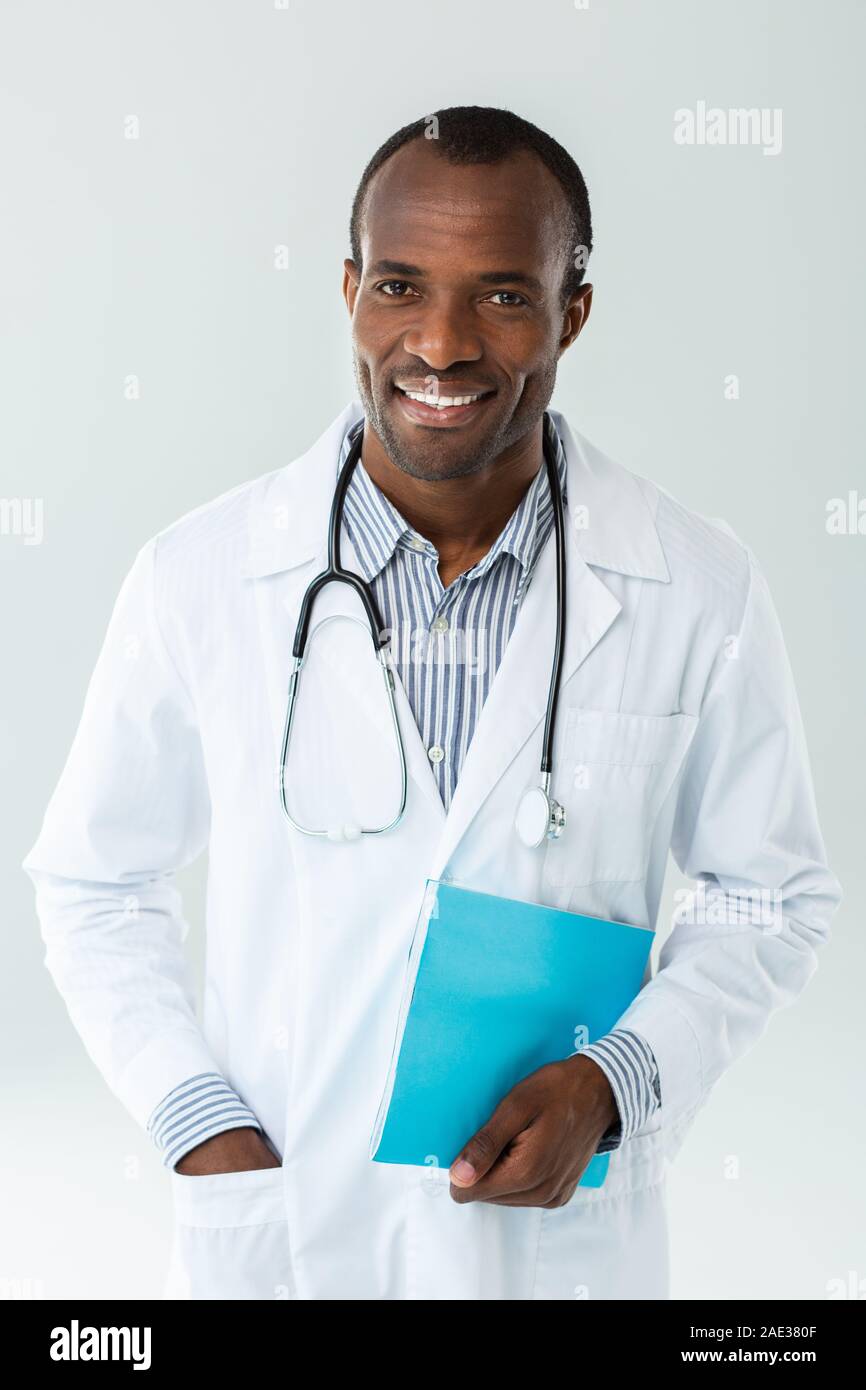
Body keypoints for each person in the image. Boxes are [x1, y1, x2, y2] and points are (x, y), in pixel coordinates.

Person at [23, 105, 841, 1300]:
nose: (441, 344)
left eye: (503, 296)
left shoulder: (691, 584)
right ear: (350, 291)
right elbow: (93, 882)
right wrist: (200, 1122)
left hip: (554, 1252)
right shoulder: (201, 576)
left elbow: (767, 896)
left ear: (573, 310)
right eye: (400, 285)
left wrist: (618, 1081)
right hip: (286, 1228)